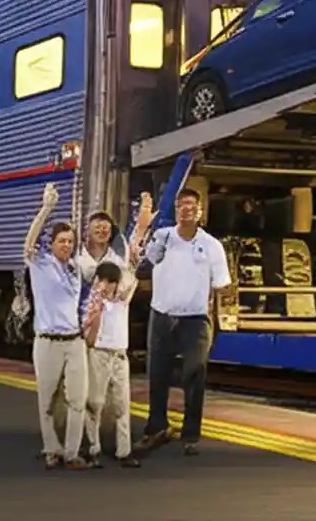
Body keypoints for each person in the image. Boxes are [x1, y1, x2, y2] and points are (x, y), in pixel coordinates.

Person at [134, 188, 231, 456]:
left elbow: (222, 286)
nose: (185, 210)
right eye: (180, 206)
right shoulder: (163, 237)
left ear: (200, 212)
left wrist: (219, 320)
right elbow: (143, 265)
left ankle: (191, 433)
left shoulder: (212, 246)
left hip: (196, 320)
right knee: (157, 374)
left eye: (191, 206)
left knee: (194, 374)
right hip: (162, 315)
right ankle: (156, 426)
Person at [23, 182, 91, 470]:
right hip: (47, 341)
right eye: (61, 240)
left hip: (73, 342)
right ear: (51, 244)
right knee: (47, 400)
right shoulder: (40, 264)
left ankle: (72, 452)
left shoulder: (75, 268)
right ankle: (52, 449)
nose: (66, 245)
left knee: (78, 399)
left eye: (70, 241)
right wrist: (46, 209)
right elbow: (28, 243)